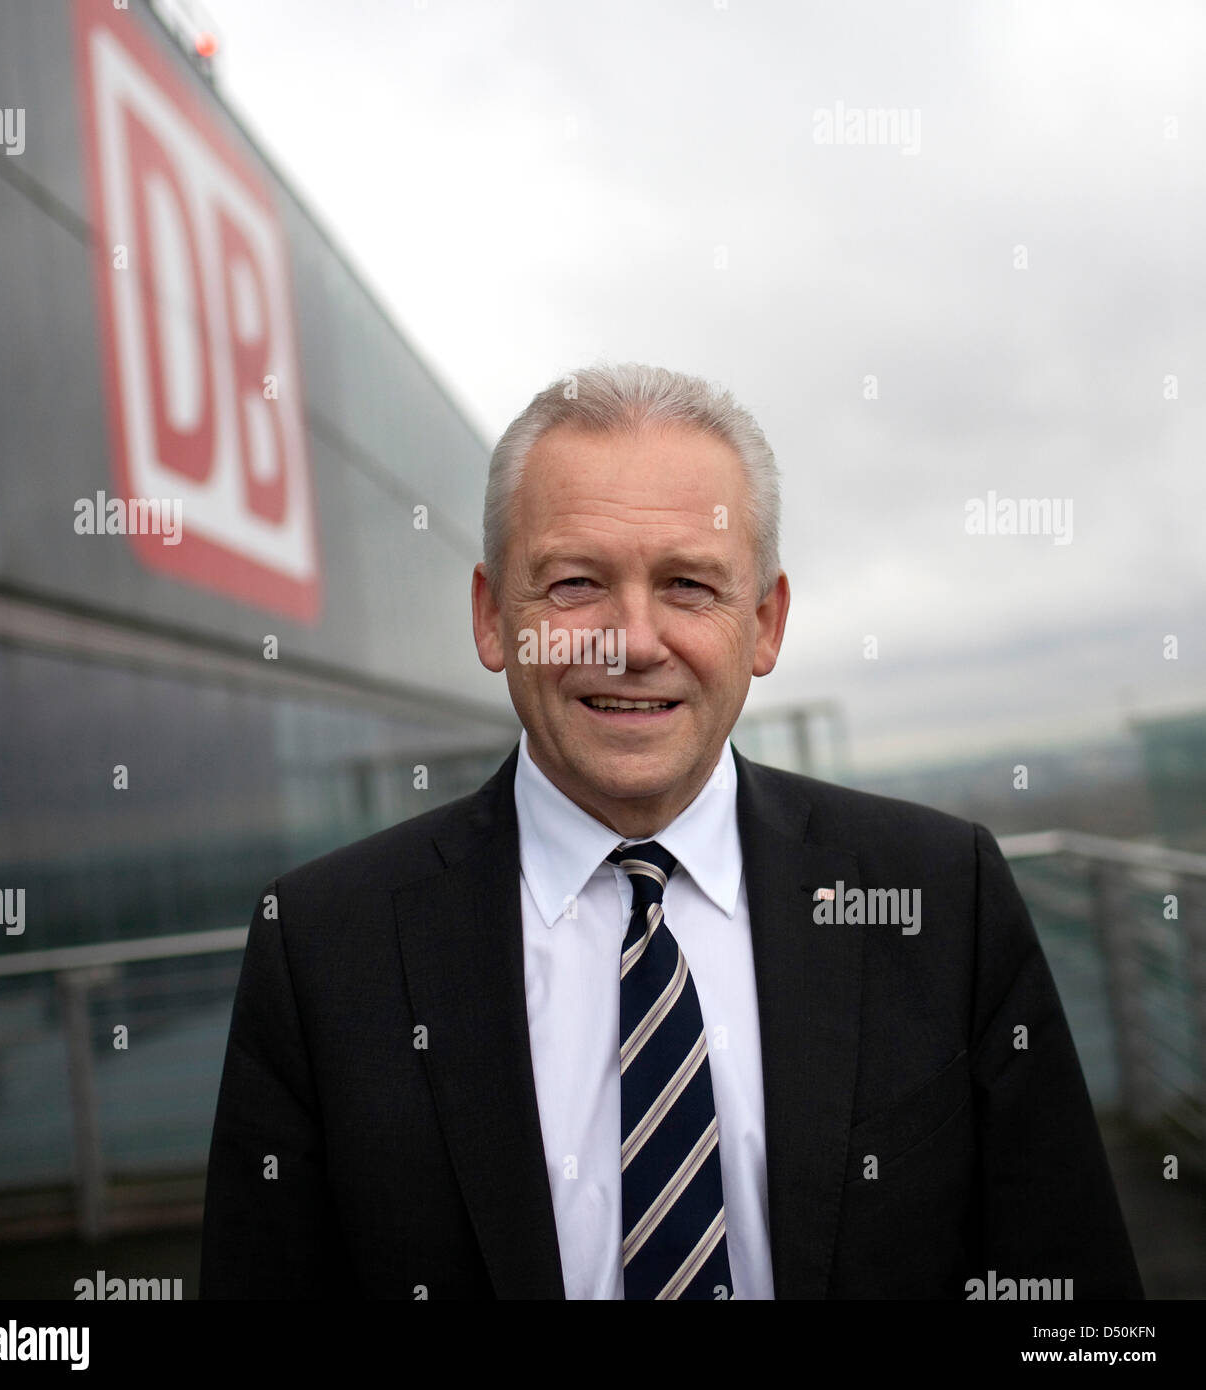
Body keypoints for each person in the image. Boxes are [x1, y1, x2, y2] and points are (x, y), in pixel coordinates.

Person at [199, 363, 1142, 1300]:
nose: (633, 641)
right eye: (574, 584)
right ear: (493, 618)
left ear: (764, 623)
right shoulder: (324, 948)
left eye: (690, 585)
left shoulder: (942, 897)